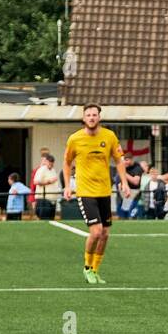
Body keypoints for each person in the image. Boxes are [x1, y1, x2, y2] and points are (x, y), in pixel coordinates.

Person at [64, 103, 129, 284]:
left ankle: (95, 270)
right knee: (96, 231)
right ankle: (86, 267)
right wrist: (68, 185)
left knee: (105, 234)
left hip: (104, 191)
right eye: (88, 115)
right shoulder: (75, 139)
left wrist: (124, 183)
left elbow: (119, 160)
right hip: (85, 192)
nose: (92, 117)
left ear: (99, 117)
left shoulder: (109, 137)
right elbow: (67, 162)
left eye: (94, 115)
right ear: (84, 118)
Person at [33, 154, 60, 220]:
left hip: (52, 199)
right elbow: (36, 182)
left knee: (51, 218)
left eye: (52, 162)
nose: (51, 164)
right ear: (46, 162)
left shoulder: (53, 170)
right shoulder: (41, 170)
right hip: (44, 199)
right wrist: (48, 182)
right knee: (44, 219)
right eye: (49, 162)